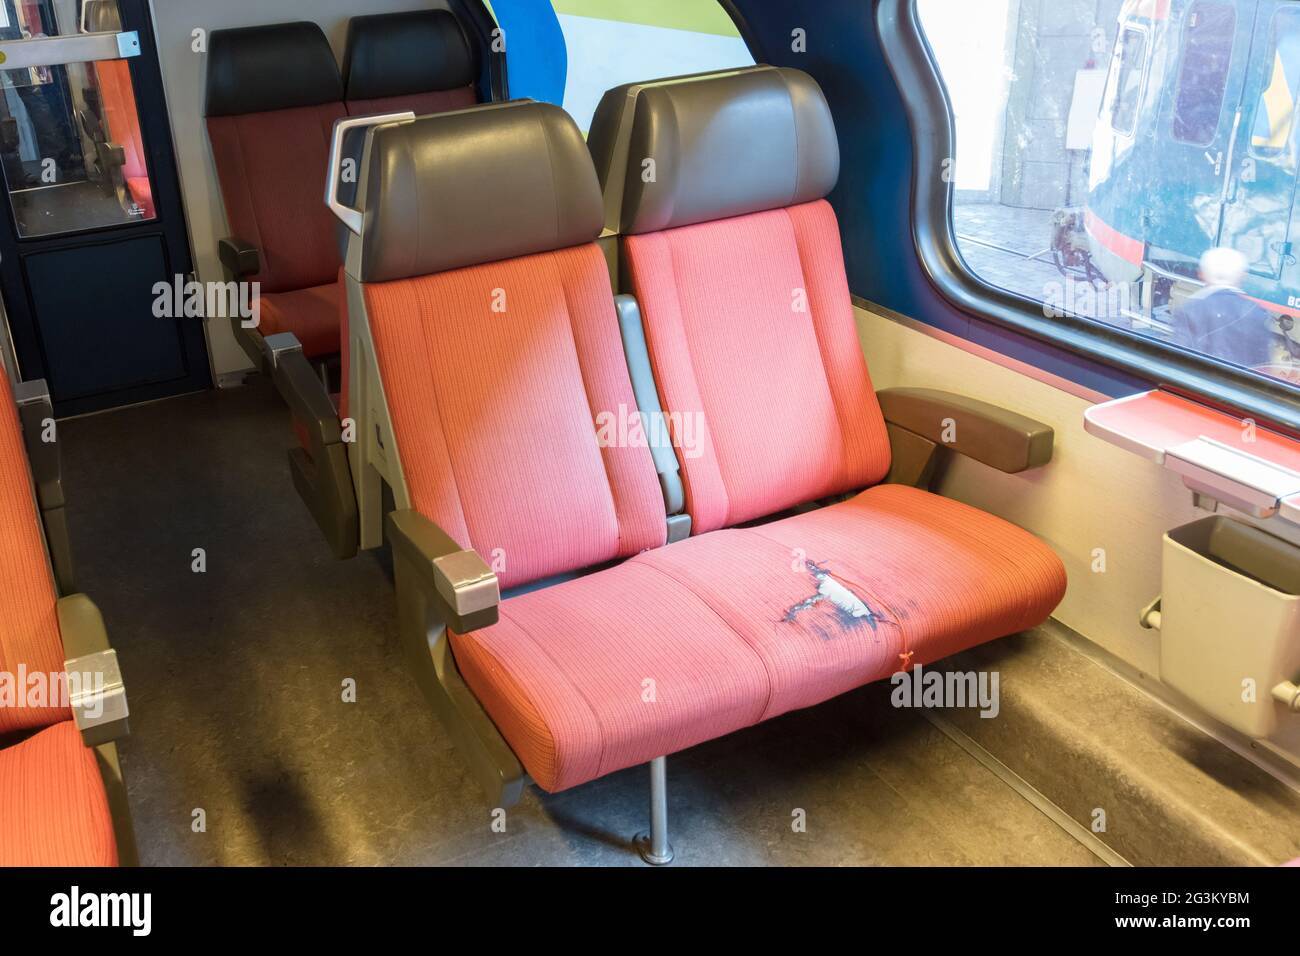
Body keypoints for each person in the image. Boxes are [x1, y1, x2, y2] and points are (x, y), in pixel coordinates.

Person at [1174, 247, 1277, 369]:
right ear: (1242, 276)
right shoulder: (1257, 313)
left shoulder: (1190, 309)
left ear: (1201, 274)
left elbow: (1177, 359)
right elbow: (1263, 365)